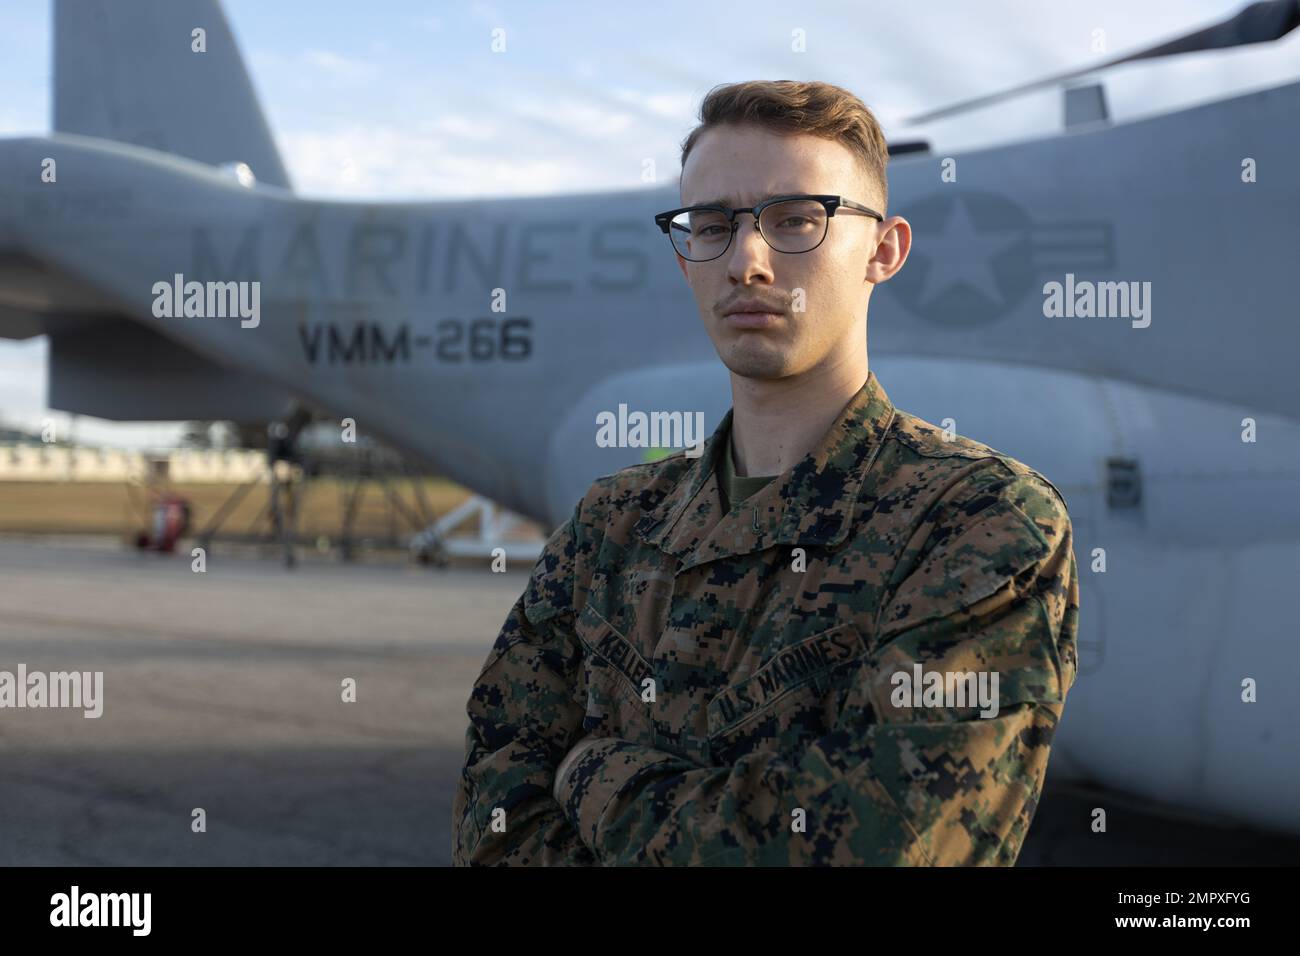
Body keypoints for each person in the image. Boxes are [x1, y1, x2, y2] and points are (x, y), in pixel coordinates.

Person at [453, 79, 1079, 866]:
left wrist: (593, 773)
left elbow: (880, 846)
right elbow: (492, 812)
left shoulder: (981, 521)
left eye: (795, 221)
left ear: (884, 251)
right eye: (712, 226)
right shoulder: (612, 523)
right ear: (687, 260)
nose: (747, 261)